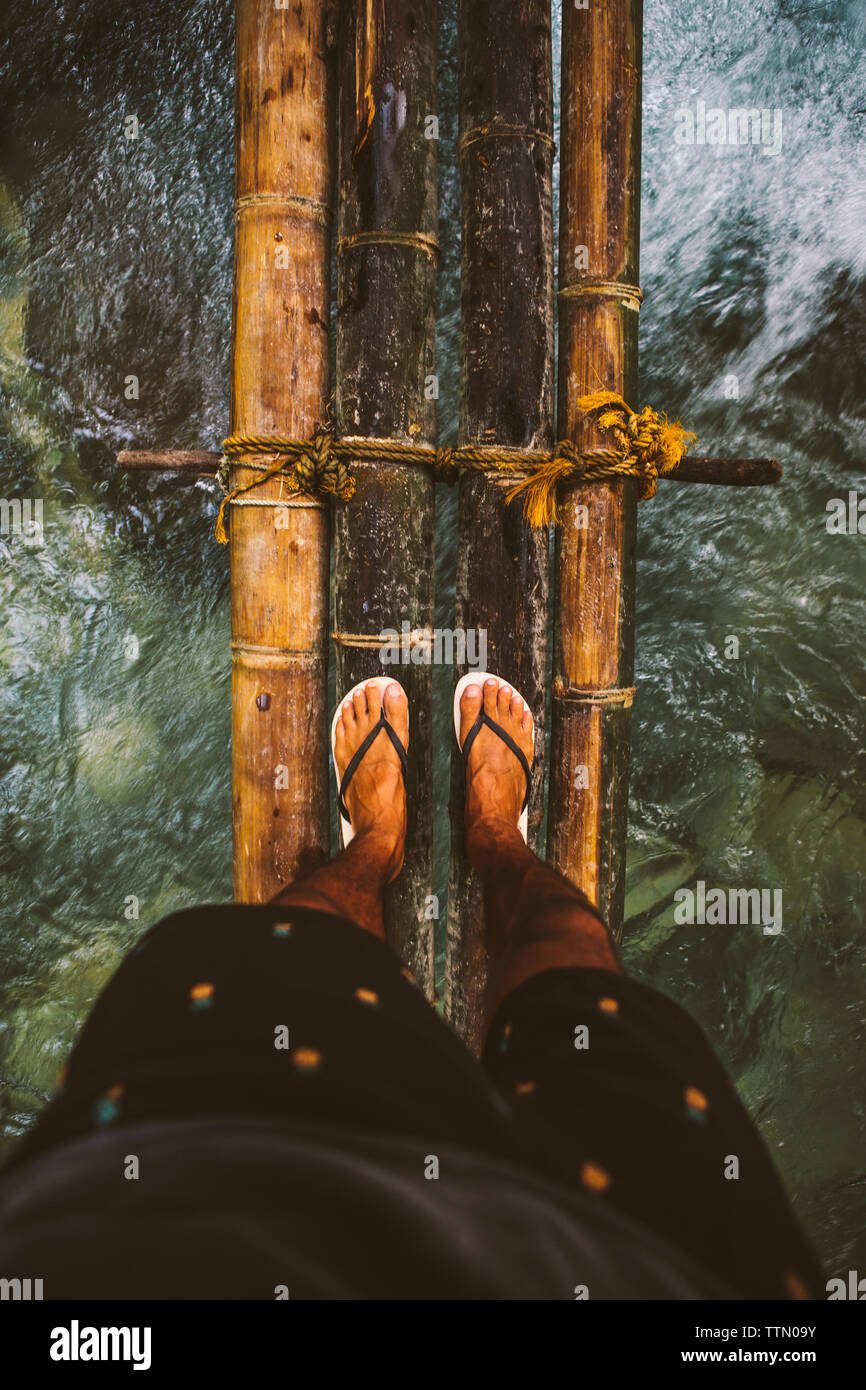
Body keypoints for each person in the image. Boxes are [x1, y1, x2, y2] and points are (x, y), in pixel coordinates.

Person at [0, 677, 821, 1299]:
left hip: (171, 1218)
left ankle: (383, 846)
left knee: (275, 957)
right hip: (635, 1265)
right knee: (576, 963)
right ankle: (493, 837)